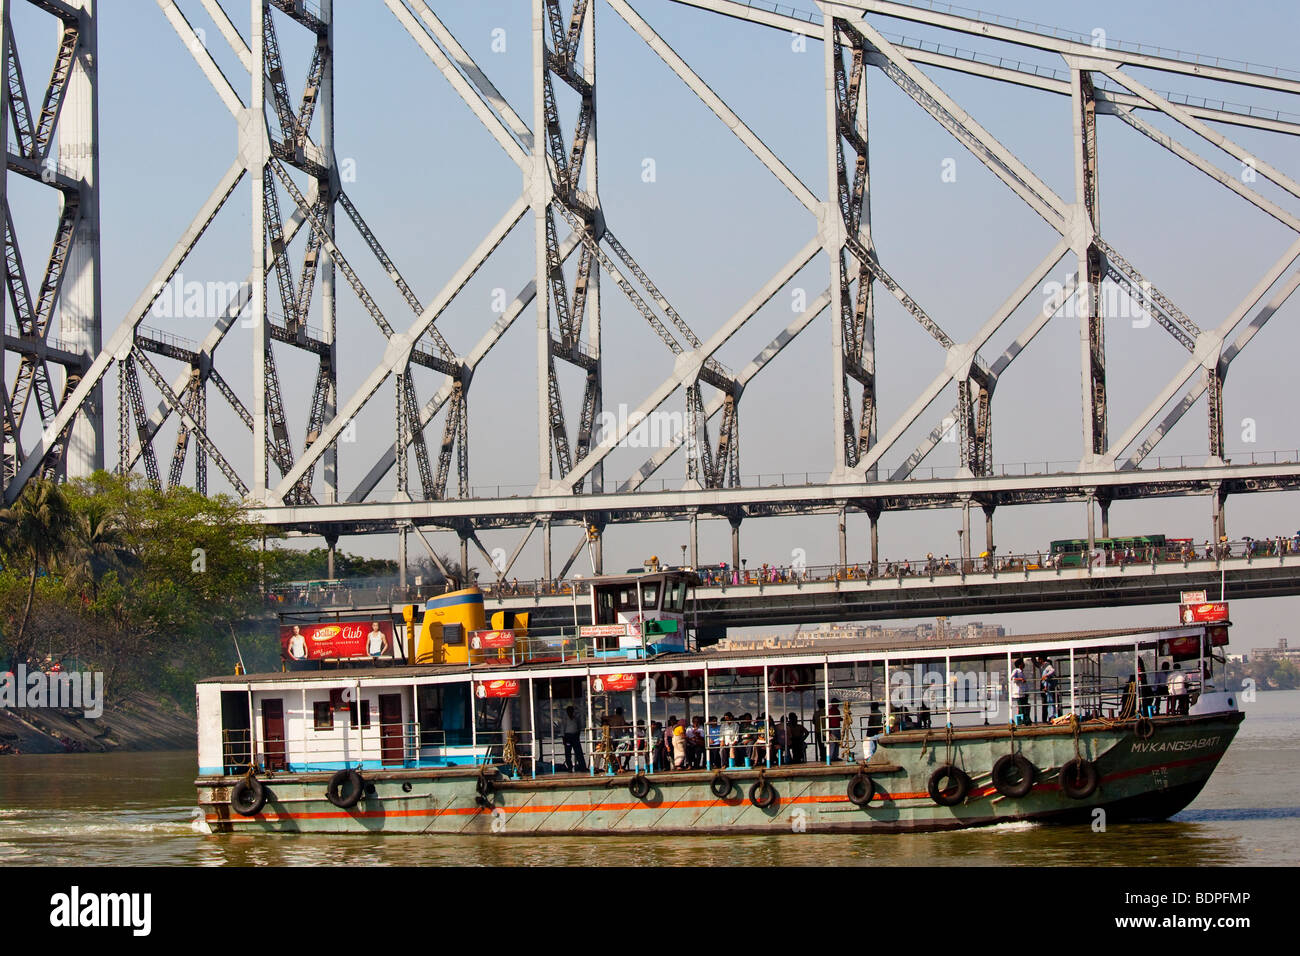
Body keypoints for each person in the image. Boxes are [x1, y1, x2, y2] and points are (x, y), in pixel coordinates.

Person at [561, 705, 587, 773]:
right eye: (569, 711)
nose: (571, 712)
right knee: (568, 753)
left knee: (579, 752)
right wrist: (563, 738)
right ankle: (570, 767)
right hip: (568, 736)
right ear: (567, 712)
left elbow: (579, 727)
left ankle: (582, 767)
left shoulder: (576, 718)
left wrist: (578, 734)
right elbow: (562, 728)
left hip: (575, 736)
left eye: (572, 711)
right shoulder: (565, 718)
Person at [1010, 658, 1029, 725]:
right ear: (1020, 664)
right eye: (1022, 663)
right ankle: (1022, 721)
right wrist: (1020, 679)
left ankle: (1025, 720)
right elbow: (1012, 678)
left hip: (1023, 692)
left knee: (1024, 706)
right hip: (1019, 693)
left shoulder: (1021, 672)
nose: (1024, 665)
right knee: (1021, 707)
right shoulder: (1016, 671)